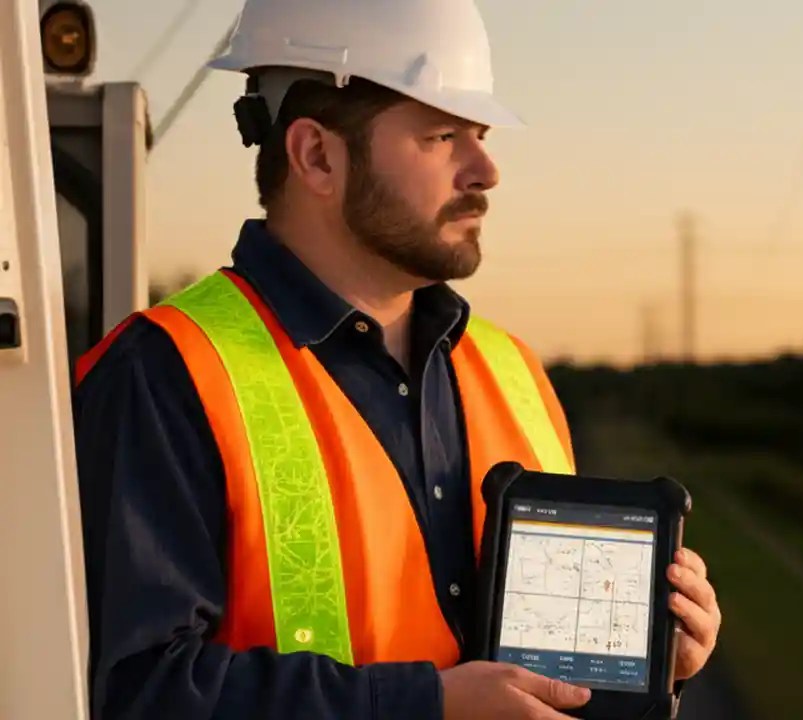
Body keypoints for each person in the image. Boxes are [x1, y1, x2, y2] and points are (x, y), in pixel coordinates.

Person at [71, 0, 721, 718]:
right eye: (443, 135)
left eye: (477, 133)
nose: (485, 170)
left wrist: (643, 663)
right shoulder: (163, 375)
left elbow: (525, 690)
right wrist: (427, 706)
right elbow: (137, 694)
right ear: (316, 154)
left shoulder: (514, 372)